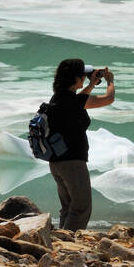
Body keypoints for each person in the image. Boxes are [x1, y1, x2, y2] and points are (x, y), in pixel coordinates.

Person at [47, 58, 114, 232]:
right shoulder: (73, 102)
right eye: (82, 76)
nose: (84, 78)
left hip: (57, 162)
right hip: (72, 164)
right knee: (81, 208)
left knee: (68, 206)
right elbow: (108, 98)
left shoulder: (59, 97)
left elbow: (80, 99)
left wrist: (92, 83)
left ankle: (62, 241)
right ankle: (69, 246)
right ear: (76, 80)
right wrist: (110, 81)